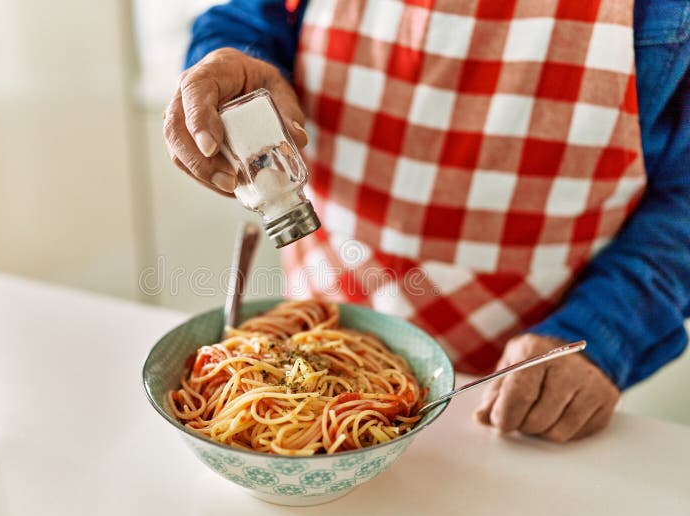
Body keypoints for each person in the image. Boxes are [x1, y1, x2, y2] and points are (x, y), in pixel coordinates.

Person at [163, 0, 690, 442]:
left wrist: (603, 330)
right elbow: (249, 18)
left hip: (519, 392)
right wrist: (233, 65)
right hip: (315, 304)